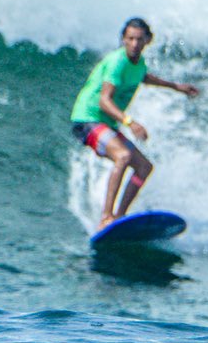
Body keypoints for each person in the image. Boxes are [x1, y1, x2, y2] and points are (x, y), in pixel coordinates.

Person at [70, 17, 200, 227]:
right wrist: (131, 122)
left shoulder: (138, 64)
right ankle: (106, 217)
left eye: (139, 39)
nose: (134, 44)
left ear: (148, 40)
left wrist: (176, 86)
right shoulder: (117, 62)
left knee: (144, 167)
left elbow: (143, 77)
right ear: (123, 39)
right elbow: (104, 101)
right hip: (87, 120)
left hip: (106, 124)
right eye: (129, 39)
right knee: (123, 156)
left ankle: (119, 218)